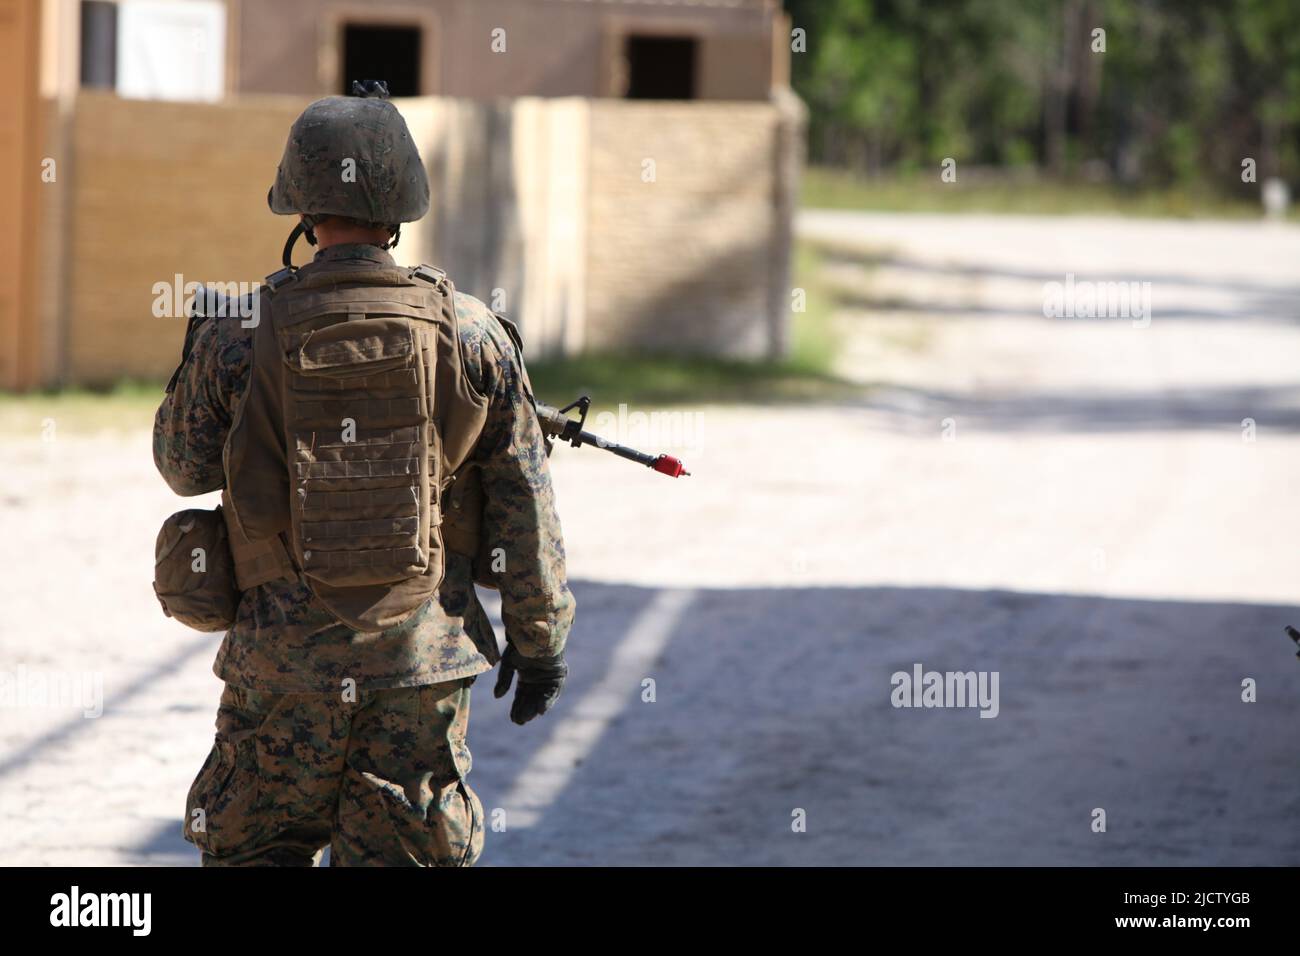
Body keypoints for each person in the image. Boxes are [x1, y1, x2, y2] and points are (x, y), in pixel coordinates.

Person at [153, 84, 575, 867]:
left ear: (303, 210)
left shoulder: (240, 334)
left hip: (281, 667)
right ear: (402, 207)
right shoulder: (474, 331)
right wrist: (539, 640)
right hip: (421, 664)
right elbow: (524, 500)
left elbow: (181, 469)